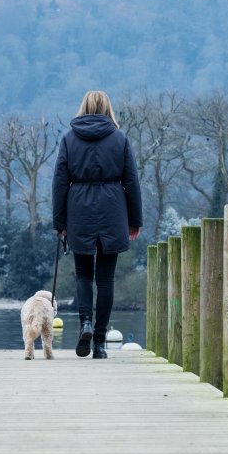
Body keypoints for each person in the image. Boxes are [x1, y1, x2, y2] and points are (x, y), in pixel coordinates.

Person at [52, 90, 143, 358]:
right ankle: (100, 343)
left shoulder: (69, 139)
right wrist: (135, 220)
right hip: (113, 210)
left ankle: (86, 324)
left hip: (79, 209)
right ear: (107, 108)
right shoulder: (119, 138)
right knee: (106, 278)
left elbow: (60, 183)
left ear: (84, 107)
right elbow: (131, 181)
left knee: (83, 274)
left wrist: (60, 222)